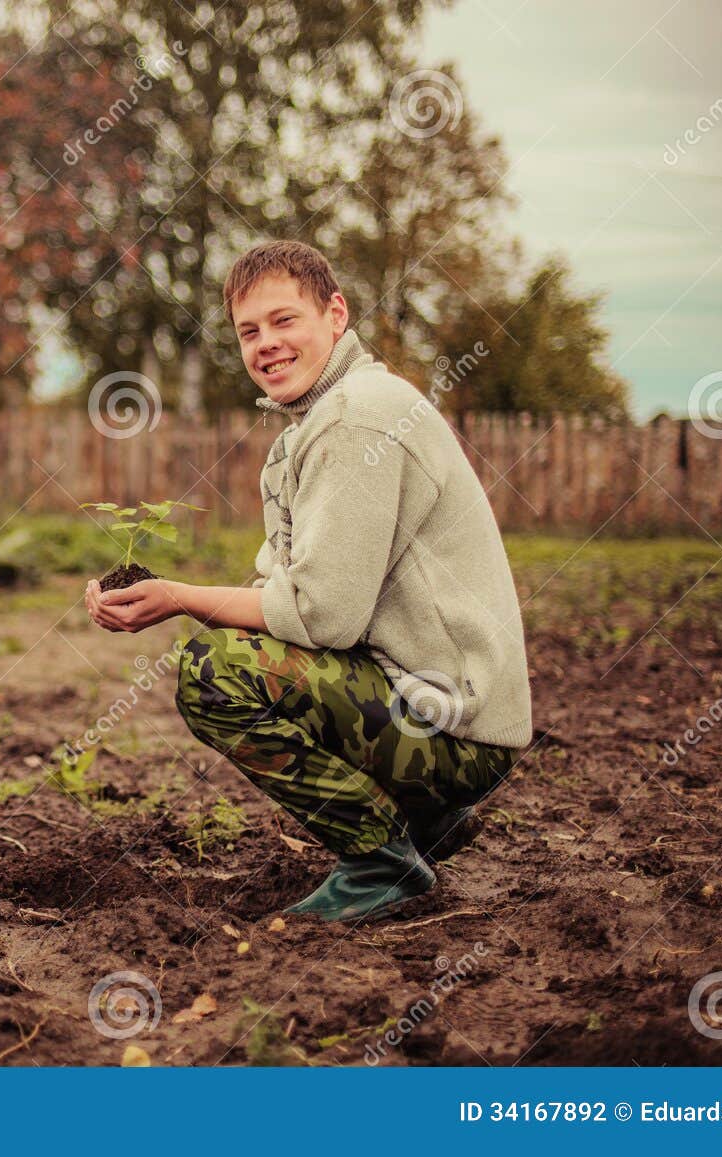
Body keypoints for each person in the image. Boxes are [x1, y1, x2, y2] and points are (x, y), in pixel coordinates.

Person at [83, 239, 532, 923]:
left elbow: (321, 618)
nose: (267, 344)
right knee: (241, 653)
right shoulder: (317, 423)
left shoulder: (357, 418)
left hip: (457, 729)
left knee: (215, 672)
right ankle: (429, 820)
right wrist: (159, 590)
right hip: (435, 707)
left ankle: (384, 860)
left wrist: (177, 599)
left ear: (336, 314)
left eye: (285, 320)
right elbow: (280, 592)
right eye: (249, 331)